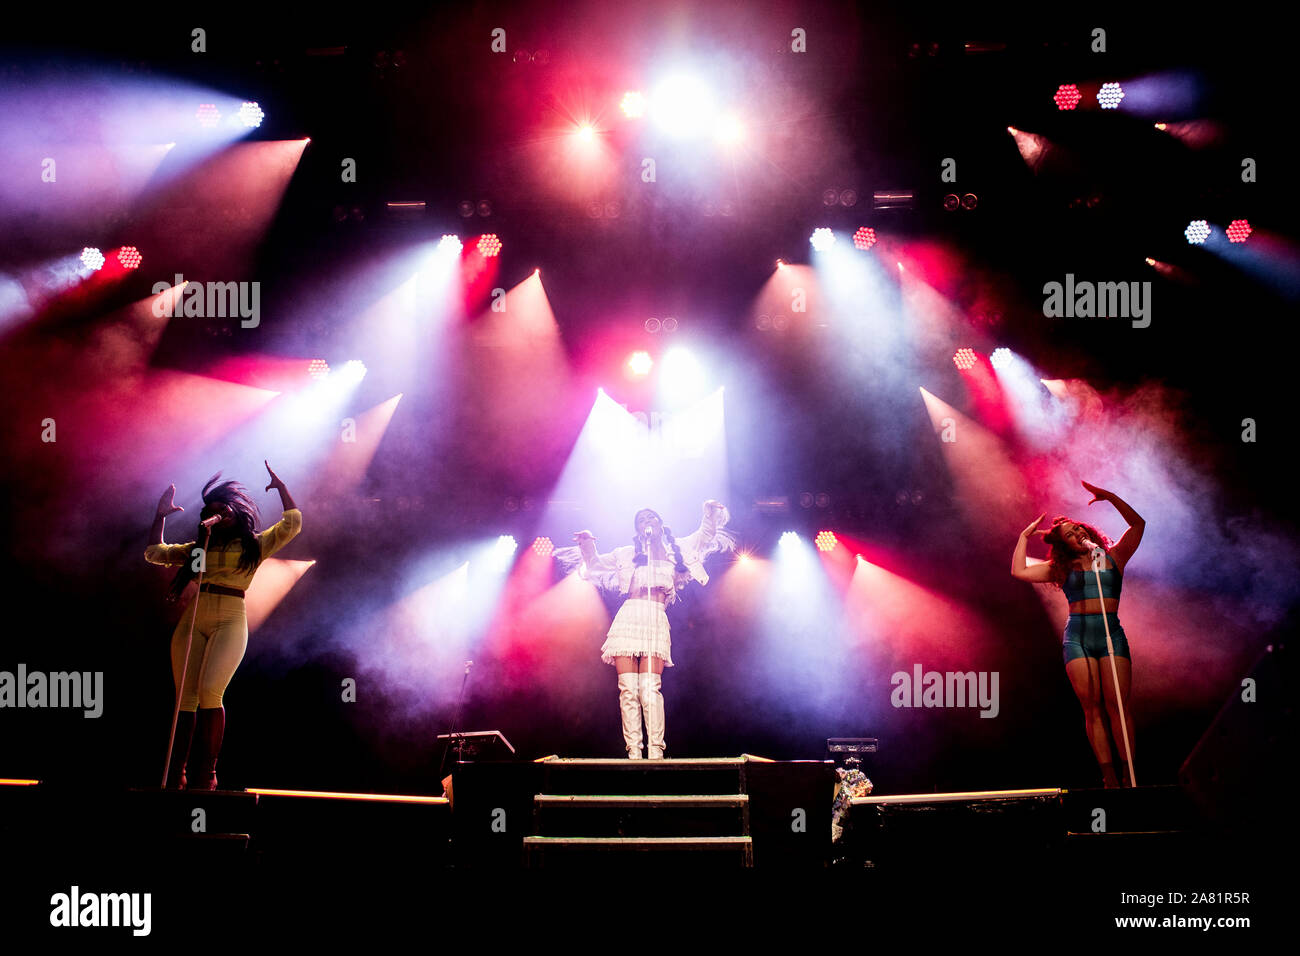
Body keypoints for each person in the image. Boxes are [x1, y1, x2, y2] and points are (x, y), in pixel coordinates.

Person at [146, 460, 301, 789]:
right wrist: (160, 516)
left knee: (209, 691)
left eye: (221, 509)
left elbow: (292, 524)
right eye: (209, 512)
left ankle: (208, 774)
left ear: (234, 511)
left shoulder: (254, 546)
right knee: (185, 698)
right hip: (195, 618)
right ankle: (176, 774)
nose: (215, 515)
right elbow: (155, 553)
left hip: (230, 618)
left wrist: (282, 488)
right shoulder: (197, 550)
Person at [557, 500, 735, 759]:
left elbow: (705, 535)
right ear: (638, 529)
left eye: (651, 517)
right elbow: (594, 564)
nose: (647, 522)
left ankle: (655, 751)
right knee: (628, 689)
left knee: (650, 688)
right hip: (629, 617)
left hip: (655, 618)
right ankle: (633, 752)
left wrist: (709, 511)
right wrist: (587, 543)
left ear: (661, 524)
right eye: (641, 520)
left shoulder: (679, 549)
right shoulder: (625, 553)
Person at [1011, 480, 1144, 788]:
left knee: (1118, 706)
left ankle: (1130, 775)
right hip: (1078, 639)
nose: (1079, 534)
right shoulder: (1060, 569)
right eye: (1071, 534)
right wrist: (1023, 537)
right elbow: (1018, 571)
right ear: (1062, 544)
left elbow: (1138, 524)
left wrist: (1109, 496)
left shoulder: (1112, 557)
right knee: (1092, 707)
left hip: (1111, 632)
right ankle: (1109, 776)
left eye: (1080, 529)